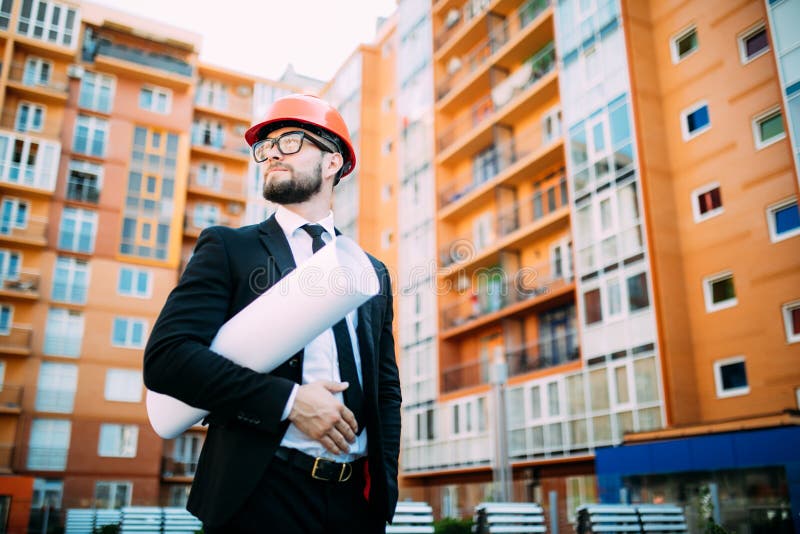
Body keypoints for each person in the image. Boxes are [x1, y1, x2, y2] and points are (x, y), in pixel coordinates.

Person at [143, 94, 401, 534]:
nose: (271, 154)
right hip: (260, 495)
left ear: (332, 162)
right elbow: (167, 359)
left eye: (290, 141)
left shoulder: (370, 271)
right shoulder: (229, 248)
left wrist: (381, 496)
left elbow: (386, 389)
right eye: (265, 147)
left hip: (354, 504)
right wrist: (290, 402)